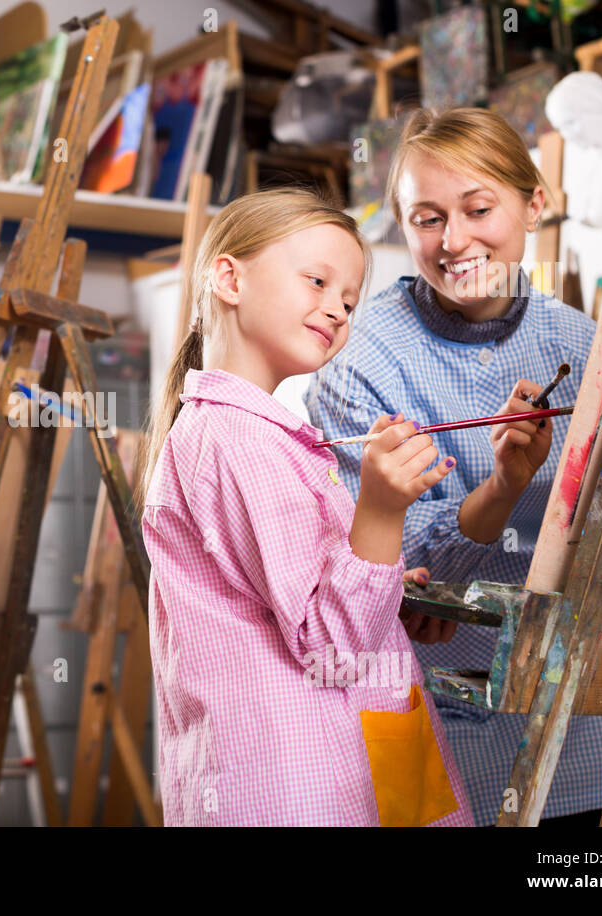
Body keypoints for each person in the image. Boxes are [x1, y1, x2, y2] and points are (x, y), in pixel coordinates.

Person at [306, 107, 602, 825]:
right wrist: (504, 487)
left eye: (479, 209)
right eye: (426, 218)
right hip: (433, 724)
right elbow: (393, 588)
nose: (455, 241)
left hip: (577, 721)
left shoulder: (595, 347)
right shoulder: (359, 363)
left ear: (536, 203)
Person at [139, 188, 474, 826]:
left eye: (348, 300)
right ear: (229, 278)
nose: (337, 310)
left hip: (349, 769)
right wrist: (379, 510)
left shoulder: (261, 436)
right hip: (300, 790)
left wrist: (389, 602)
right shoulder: (235, 440)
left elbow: (307, 601)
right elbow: (331, 646)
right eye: (317, 282)